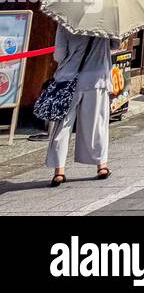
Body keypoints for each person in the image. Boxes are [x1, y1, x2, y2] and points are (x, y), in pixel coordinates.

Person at [46, 24, 115, 186]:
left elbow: (60, 54)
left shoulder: (66, 20)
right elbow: (115, 45)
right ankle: (101, 166)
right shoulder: (107, 20)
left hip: (68, 78)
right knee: (97, 122)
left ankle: (59, 171)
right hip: (97, 78)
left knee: (62, 125)